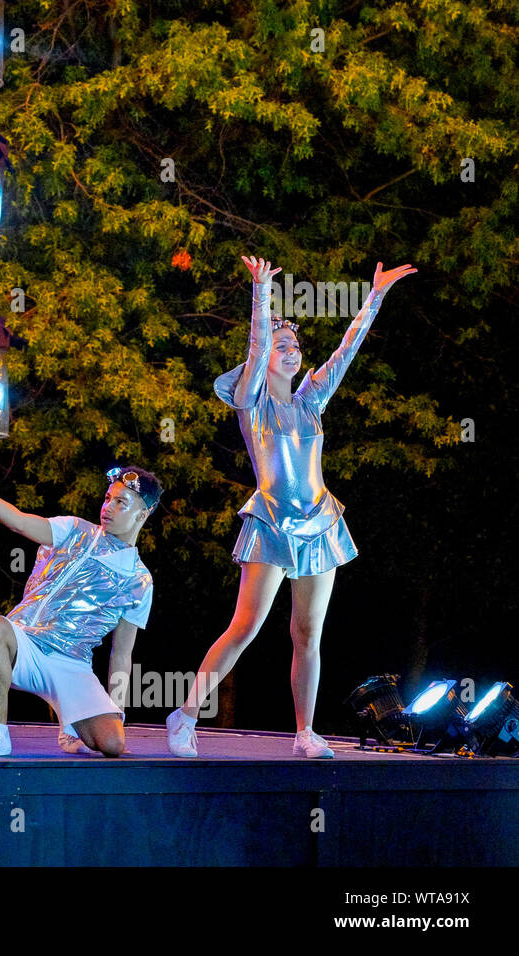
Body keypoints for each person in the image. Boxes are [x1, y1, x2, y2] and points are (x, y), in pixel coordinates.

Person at [166, 255, 416, 758]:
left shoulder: (311, 400)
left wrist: (376, 296)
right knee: (246, 626)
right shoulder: (252, 402)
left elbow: (347, 350)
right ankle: (186, 713)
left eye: (296, 346)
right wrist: (261, 291)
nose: (292, 351)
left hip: (320, 522)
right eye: (283, 346)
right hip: (272, 522)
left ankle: (304, 732)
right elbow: (257, 348)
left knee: (308, 633)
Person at [0, 445, 160, 757]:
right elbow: (18, 521)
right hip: (25, 644)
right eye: (108, 498)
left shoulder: (139, 581)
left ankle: (72, 729)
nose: (108, 507)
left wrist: (115, 710)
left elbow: (122, 654)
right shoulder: (75, 530)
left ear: (142, 514)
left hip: (71, 664)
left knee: (112, 745)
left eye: (121, 503)